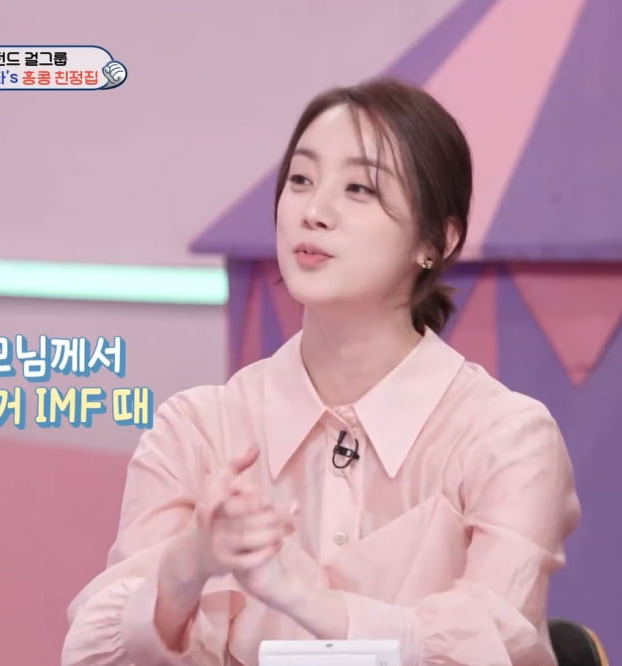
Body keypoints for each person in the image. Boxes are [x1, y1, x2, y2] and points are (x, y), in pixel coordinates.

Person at [61, 77, 581, 666]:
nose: (314, 212)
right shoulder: (199, 430)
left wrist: (302, 600)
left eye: (359, 188)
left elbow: (498, 644)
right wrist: (187, 565)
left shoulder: (505, 438)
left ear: (436, 240)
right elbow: (97, 655)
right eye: (301, 180)